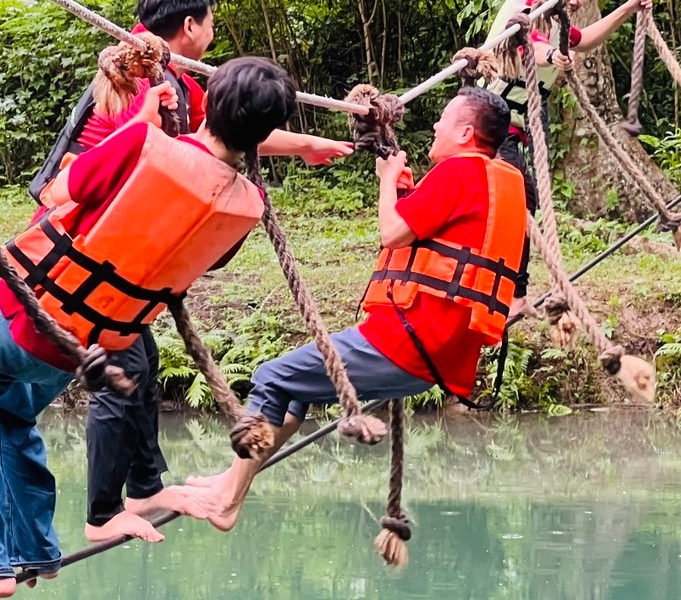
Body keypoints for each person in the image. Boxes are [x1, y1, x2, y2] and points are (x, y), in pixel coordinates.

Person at [0, 56, 297, 600]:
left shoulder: (146, 145)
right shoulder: (246, 205)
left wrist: (141, 124)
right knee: (9, 413)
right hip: (87, 344)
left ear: (207, 104)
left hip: (29, 310)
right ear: (264, 133)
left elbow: (60, 189)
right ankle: (31, 549)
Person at [28, 0, 354, 546]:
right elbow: (155, 158)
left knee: (142, 363)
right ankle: (101, 515)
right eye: (210, 21)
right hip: (85, 240)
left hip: (122, 243)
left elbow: (224, 131)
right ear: (189, 26)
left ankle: (146, 486)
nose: (213, 31)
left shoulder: (173, 76)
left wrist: (305, 144)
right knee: (122, 371)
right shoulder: (134, 74)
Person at [192, 87, 527, 531]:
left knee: (270, 378)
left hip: (407, 340)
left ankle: (228, 498)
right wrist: (399, 186)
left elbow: (392, 233)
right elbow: (423, 230)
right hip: (439, 350)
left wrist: (388, 181)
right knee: (292, 390)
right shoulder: (494, 177)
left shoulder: (458, 174)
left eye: (443, 119)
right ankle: (231, 486)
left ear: (465, 132)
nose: (434, 125)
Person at [485, 0, 651, 315]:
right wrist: (551, 56)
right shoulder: (519, 8)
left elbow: (585, 38)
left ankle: (514, 293)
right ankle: (507, 291)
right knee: (509, 199)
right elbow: (523, 42)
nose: (575, 1)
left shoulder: (559, 24)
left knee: (520, 201)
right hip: (485, 116)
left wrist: (628, 7)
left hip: (518, 126)